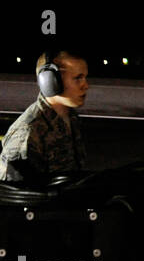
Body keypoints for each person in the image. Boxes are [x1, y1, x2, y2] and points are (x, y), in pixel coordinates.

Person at [0, 46, 90, 184]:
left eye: (85, 77)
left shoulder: (71, 118)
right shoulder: (27, 133)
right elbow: (15, 196)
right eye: (78, 78)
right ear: (50, 81)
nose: (85, 85)